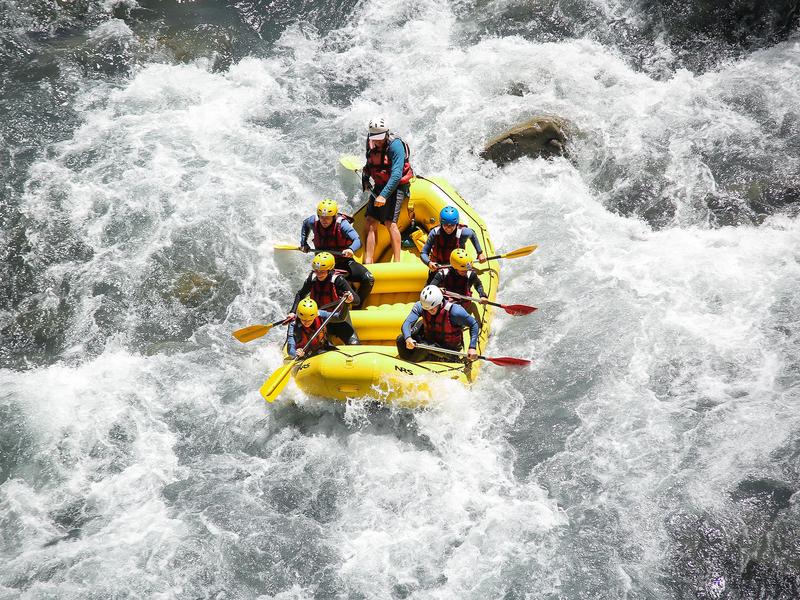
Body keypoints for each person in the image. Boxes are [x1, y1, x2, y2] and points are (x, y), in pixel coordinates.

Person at [299, 198, 374, 307]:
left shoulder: (342, 225)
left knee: (369, 278)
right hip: (325, 267)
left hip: (343, 262)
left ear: (334, 216)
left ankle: (358, 305)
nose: (324, 221)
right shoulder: (313, 221)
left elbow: (357, 240)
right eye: (322, 217)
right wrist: (303, 243)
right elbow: (305, 224)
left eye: (328, 218)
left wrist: (351, 249)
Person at [362, 116, 414, 264]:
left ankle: (397, 261)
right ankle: (368, 260)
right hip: (380, 184)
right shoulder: (371, 142)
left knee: (390, 222)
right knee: (370, 221)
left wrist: (384, 195)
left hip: (396, 186)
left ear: (386, 133)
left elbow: (397, 174)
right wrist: (365, 179)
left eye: (379, 138)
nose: (377, 141)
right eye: (374, 138)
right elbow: (369, 163)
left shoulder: (395, 145)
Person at [289, 252, 360, 345]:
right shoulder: (312, 279)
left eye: (322, 271)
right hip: (320, 319)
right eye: (316, 270)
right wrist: (293, 312)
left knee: (354, 343)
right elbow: (300, 294)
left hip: (339, 318)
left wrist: (350, 299)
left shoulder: (338, 280)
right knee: (321, 347)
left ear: (330, 270)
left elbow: (357, 300)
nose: (319, 274)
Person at [396, 285, 480, 363]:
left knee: (423, 347)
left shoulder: (455, 311)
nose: (429, 311)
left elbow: (474, 324)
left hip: (448, 348)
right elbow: (407, 324)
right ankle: (405, 360)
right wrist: (408, 338)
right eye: (427, 309)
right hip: (429, 340)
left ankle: (411, 363)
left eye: (432, 308)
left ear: (439, 302)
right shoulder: (421, 306)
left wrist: (472, 347)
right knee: (400, 339)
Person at [420, 206, 486, 284]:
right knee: (429, 287)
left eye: (452, 225)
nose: (448, 228)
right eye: (445, 225)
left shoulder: (463, 233)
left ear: (456, 224)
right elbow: (423, 253)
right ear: (441, 223)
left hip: (458, 267)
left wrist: (480, 253)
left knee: (469, 282)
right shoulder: (434, 233)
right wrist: (429, 263)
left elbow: (472, 234)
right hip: (439, 266)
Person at [431, 249, 489, 319]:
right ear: (455, 267)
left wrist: (482, 295)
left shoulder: (470, 274)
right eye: (462, 270)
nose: (465, 271)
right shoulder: (443, 273)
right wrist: (437, 290)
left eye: (467, 269)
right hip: (445, 302)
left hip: (461, 304)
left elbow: (478, 284)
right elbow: (431, 287)